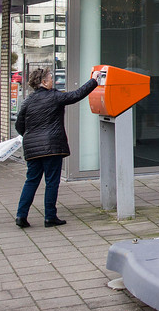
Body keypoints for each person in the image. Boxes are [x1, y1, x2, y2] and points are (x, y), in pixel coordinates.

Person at [14, 67, 101, 228]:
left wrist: (31, 136)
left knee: (31, 181)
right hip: (51, 146)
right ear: (43, 82)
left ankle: (21, 215)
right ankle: (50, 217)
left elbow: (19, 126)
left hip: (32, 149)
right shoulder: (54, 96)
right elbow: (76, 95)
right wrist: (94, 80)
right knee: (52, 182)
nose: (53, 80)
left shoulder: (28, 101)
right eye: (50, 78)